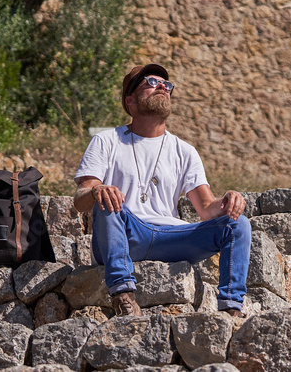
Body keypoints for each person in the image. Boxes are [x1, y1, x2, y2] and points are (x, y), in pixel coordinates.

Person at [74, 63, 251, 317]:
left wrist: (227, 201)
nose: (162, 87)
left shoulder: (185, 151)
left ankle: (231, 310)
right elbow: (80, 199)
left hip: (173, 237)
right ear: (131, 101)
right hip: (124, 233)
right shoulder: (106, 140)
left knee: (238, 225)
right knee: (108, 200)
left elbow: (207, 209)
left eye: (166, 85)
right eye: (151, 82)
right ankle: (123, 295)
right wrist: (97, 190)